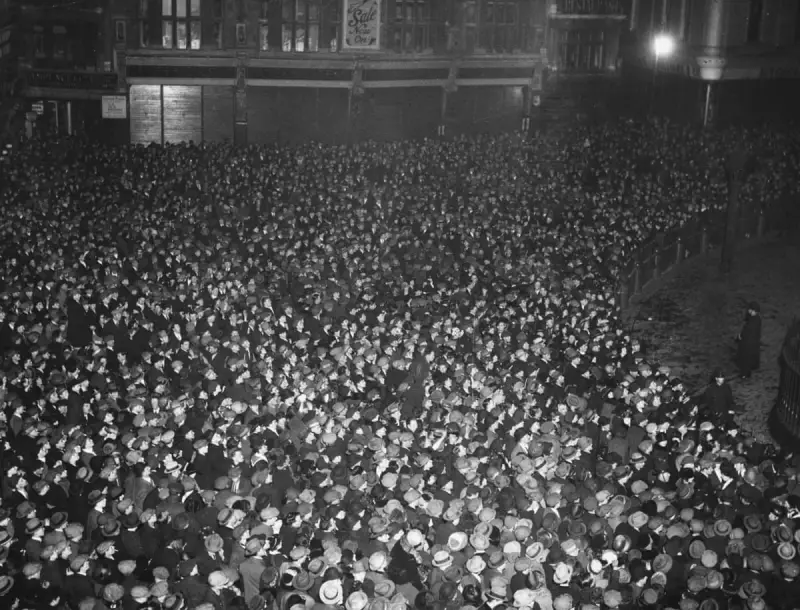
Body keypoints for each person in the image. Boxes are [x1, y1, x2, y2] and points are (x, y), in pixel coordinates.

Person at [735, 301, 762, 378]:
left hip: (748, 342)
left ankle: (744, 374)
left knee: (745, 358)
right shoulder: (756, 318)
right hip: (751, 342)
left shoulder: (754, 321)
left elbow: (747, 330)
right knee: (747, 359)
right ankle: (747, 372)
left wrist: (740, 336)